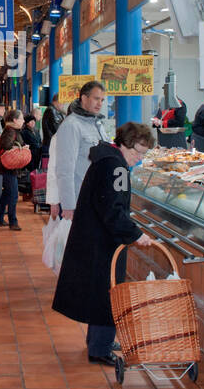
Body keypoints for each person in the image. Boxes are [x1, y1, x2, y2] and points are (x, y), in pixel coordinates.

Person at [52, 122, 156, 364]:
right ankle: (100, 348)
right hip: (103, 241)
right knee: (107, 292)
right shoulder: (116, 167)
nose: (139, 159)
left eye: (143, 153)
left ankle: (100, 341)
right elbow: (113, 209)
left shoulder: (105, 159)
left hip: (94, 236)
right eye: (136, 152)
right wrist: (135, 234)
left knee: (99, 291)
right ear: (124, 145)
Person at [51, 81, 107, 222]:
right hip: (79, 200)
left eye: (102, 100)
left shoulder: (98, 124)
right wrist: (69, 205)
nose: (99, 103)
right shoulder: (71, 125)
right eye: (96, 98)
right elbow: (64, 169)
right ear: (83, 98)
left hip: (96, 196)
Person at [0, 109, 27, 230]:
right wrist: (20, 148)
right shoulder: (10, 131)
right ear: (15, 120)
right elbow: (5, 144)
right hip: (9, 167)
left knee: (7, 193)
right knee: (13, 195)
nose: (23, 120)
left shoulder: (12, 130)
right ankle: (13, 221)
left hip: (9, 167)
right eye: (22, 118)